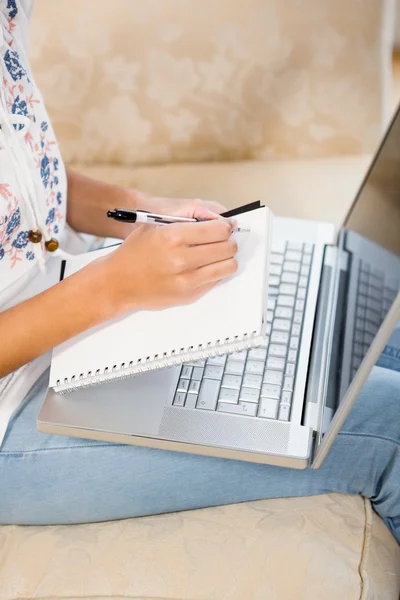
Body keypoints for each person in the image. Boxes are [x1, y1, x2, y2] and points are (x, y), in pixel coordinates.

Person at [1, 0, 399, 544]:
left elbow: (22, 159)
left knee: (371, 312)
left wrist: (138, 211)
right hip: (14, 401)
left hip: (75, 276)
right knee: (390, 425)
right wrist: (116, 287)